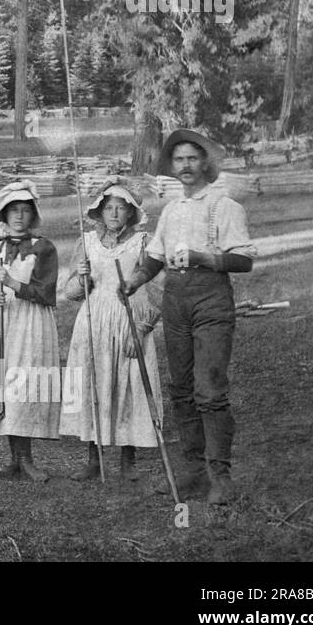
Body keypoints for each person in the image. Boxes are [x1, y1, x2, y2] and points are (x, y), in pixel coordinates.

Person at [123, 129, 256, 505]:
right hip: (175, 301)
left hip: (211, 300)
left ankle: (220, 475)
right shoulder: (171, 210)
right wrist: (135, 280)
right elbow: (154, 257)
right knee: (181, 389)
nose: (185, 165)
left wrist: (203, 258)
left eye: (192, 159)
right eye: (178, 160)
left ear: (205, 163)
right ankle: (194, 470)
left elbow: (243, 259)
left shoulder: (223, 206)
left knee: (210, 390)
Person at [59, 177, 163, 482]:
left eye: (121, 208)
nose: (115, 213)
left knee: (128, 386)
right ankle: (94, 456)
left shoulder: (143, 243)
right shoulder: (87, 243)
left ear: (131, 213)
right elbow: (71, 294)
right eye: (109, 208)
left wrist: (142, 327)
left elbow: (156, 290)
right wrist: (82, 278)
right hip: (93, 323)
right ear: (100, 212)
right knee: (94, 382)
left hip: (128, 322)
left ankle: (128, 459)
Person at [0, 180, 61, 481]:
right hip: (0, 324)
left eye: (25, 210)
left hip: (30, 323)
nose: (19, 216)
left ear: (33, 214)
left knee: (24, 387)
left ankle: (26, 459)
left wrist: (11, 284)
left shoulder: (43, 247)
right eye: (13, 211)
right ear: (4, 215)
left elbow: (46, 291)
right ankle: (6, 459)